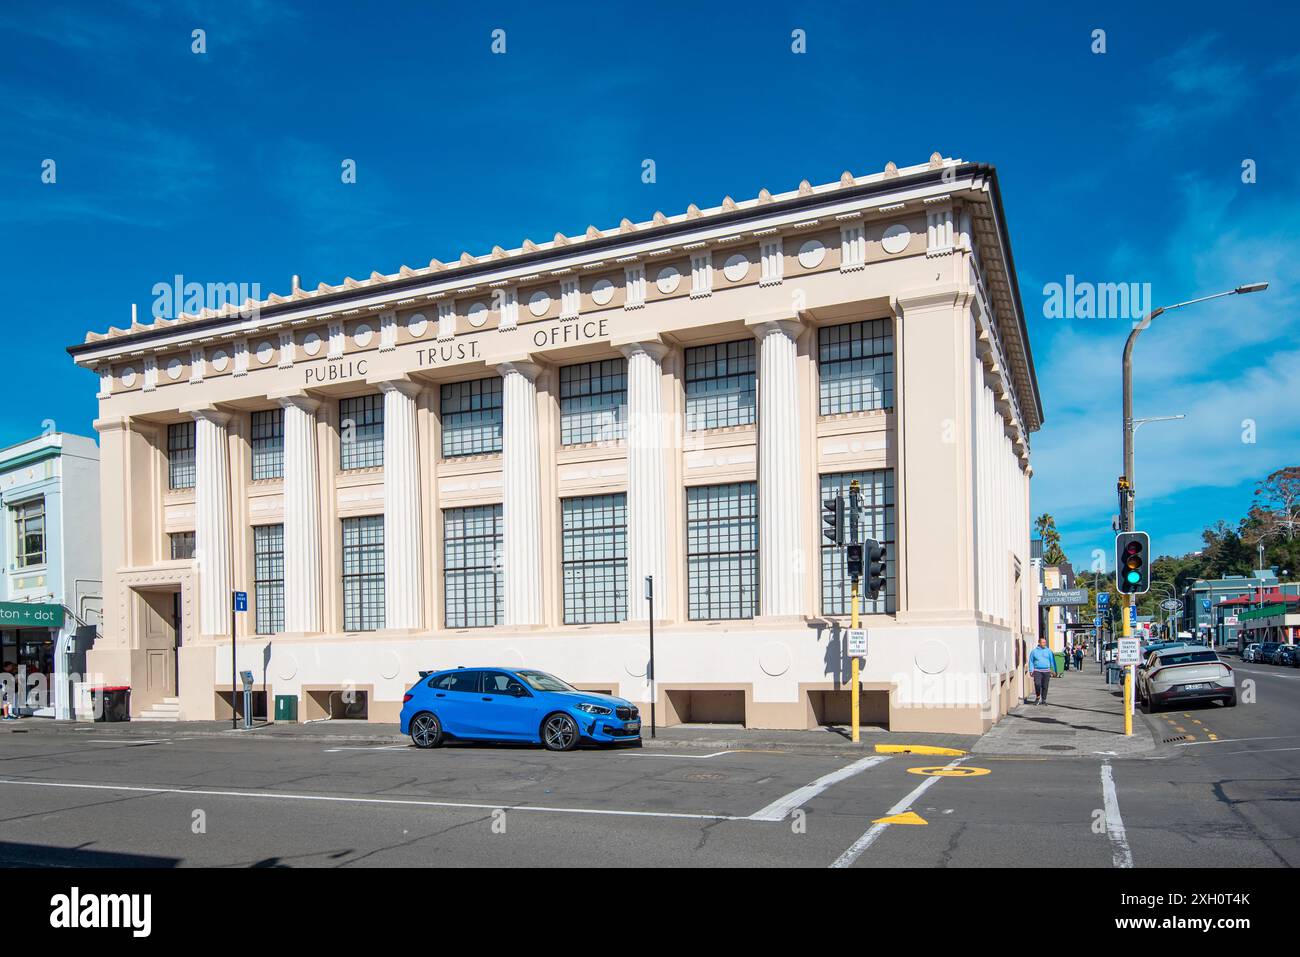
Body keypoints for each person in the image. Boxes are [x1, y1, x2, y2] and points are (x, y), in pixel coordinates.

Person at [1028, 637, 1056, 706]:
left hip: (1046, 671)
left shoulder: (1049, 651)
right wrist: (1031, 670)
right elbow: (1031, 661)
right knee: (1037, 684)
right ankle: (1038, 696)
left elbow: (1052, 661)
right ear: (1039, 643)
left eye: (1045, 642)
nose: (1044, 644)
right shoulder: (1034, 651)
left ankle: (1044, 700)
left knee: (1045, 685)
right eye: (1043, 642)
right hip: (1037, 670)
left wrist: (1054, 670)